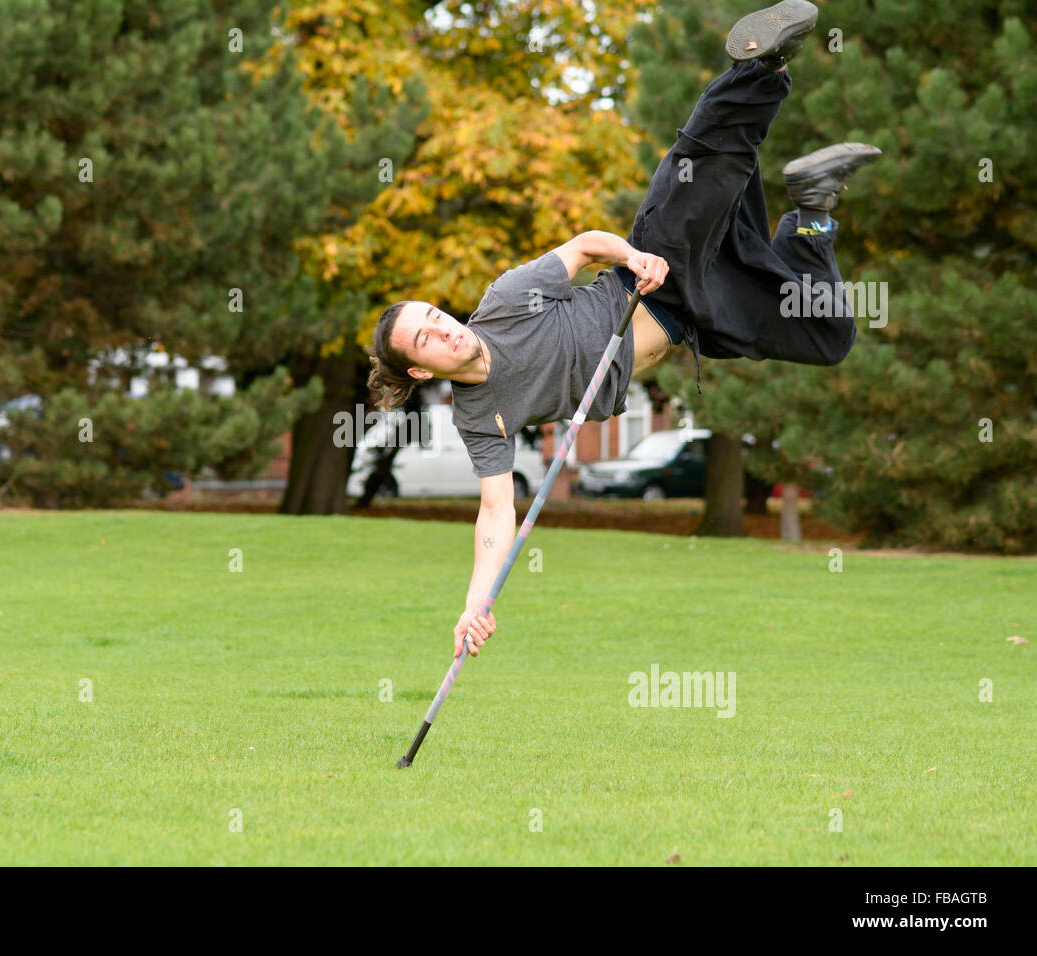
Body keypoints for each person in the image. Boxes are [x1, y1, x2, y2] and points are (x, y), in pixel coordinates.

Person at [363, 0, 881, 658]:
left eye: (436, 317)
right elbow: (495, 513)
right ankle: (811, 206)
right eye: (428, 339)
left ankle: (763, 62)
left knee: (710, 159)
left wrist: (631, 256)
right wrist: (475, 603)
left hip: (655, 269)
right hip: (695, 319)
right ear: (420, 369)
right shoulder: (479, 419)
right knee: (826, 334)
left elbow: (582, 247)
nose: (446, 331)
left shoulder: (501, 302)